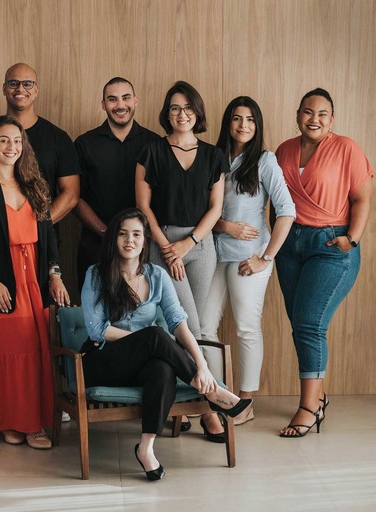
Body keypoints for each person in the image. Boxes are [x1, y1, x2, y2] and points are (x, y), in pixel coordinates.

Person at [81, 208, 251, 481]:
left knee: (161, 367)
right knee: (155, 336)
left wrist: (203, 365)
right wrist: (145, 341)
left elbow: (178, 322)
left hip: (141, 364)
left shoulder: (157, 275)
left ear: (144, 240)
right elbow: (97, 330)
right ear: (113, 238)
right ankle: (212, 393)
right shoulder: (96, 274)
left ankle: (146, 448)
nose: (130, 240)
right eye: (123, 234)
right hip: (102, 361)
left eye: (137, 234)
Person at [0, 116, 70, 450]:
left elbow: (49, 234)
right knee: (7, 355)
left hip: (33, 282)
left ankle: (33, 423)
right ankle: (11, 421)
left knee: (33, 354)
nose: (11, 147)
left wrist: (54, 274)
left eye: (17, 141)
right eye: (4, 140)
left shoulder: (35, 184)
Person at [274, 88, 373, 437]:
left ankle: (308, 408)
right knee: (299, 323)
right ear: (297, 113)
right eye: (307, 112)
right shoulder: (284, 150)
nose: (313, 119)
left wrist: (352, 238)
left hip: (331, 244)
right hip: (290, 244)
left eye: (322, 113)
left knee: (309, 324)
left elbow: (362, 198)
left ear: (332, 119)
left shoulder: (346, 148)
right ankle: (318, 396)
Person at [198, 97, 296, 432]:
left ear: (257, 125)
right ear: (227, 123)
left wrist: (264, 257)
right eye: (237, 118)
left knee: (246, 328)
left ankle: (245, 402)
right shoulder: (212, 156)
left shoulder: (265, 161)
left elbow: (286, 212)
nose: (244, 125)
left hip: (249, 259)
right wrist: (225, 226)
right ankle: (216, 397)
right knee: (203, 327)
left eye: (251, 119)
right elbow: (201, 209)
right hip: (212, 253)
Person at [135, 81, 227, 434]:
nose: (181, 114)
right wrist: (166, 247)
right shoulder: (152, 151)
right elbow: (143, 206)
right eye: (174, 108)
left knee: (197, 325)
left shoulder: (213, 155)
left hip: (201, 246)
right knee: (183, 324)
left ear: (198, 113)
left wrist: (189, 243)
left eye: (188, 108)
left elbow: (216, 207)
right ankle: (208, 405)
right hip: (161, 241)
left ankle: (189, 404)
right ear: (166, 113)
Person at [0, 63, 79, 231]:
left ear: (36, 90)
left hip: (43, 240)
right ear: (4, 89)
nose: (20, 88)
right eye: (13, 83)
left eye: (27, 83)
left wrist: (35, 228)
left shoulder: (58, 138)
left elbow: (71, 194)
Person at [74, 77, 159, 289]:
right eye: (112, 99)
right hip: (95, 245)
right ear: (103, 104)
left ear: (136, 100)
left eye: (126, 98)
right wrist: (106, 232)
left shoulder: (155, 144)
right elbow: (75, 198)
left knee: (141, 316)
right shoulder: (85, 144)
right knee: (94, 316)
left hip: (143, 247)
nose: (120, 105)